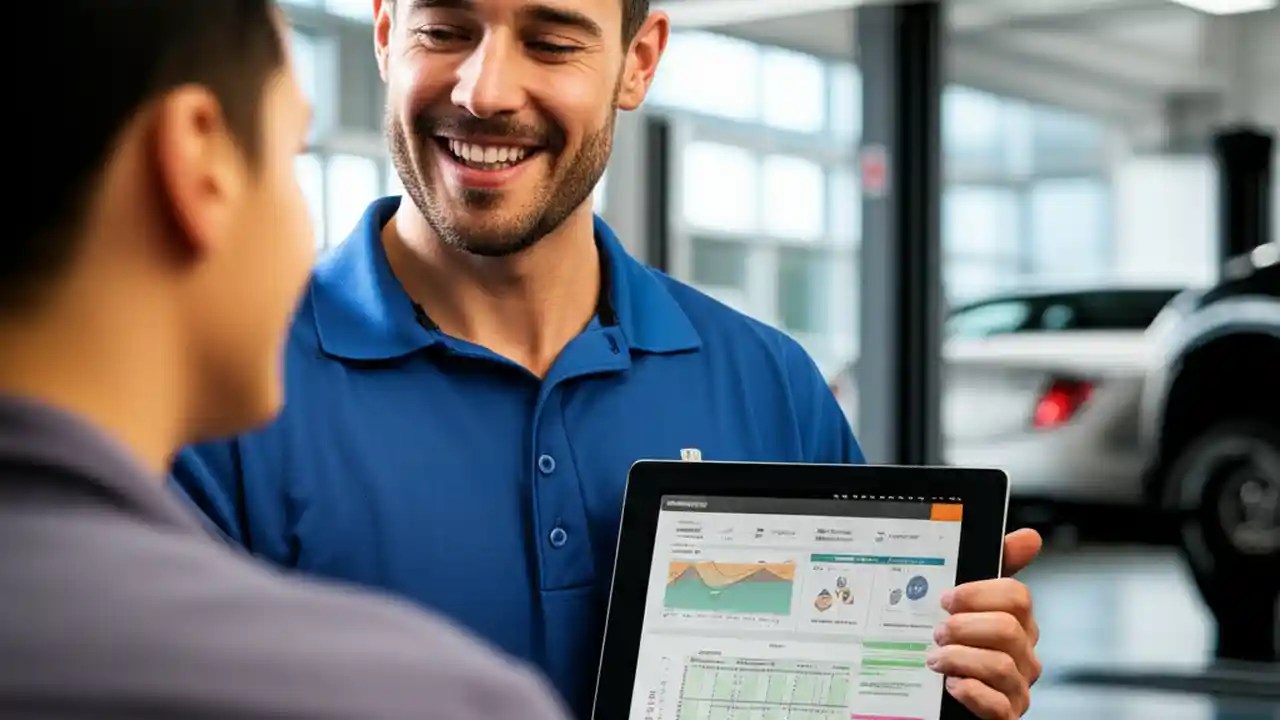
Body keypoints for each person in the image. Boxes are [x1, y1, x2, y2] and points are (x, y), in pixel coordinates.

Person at [172, 0, 1045, 717]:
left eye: (551, 42)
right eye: (444, 31)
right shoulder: (212, 390)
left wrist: (940, 693)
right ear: (383, 33)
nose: (485, 90)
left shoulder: (771, 383)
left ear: (639, 62)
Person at [0, 2, 573, 718]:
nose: (486, 92)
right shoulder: (440, 700)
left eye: (551, 43)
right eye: (293, 154)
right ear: (198, 160)